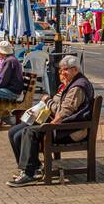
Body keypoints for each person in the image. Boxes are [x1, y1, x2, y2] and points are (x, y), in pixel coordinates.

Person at [7, 55, 96, 186]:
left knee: (29, 132)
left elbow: (62, 113)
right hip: (63, 125)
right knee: (14, 132)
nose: (61, 73)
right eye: (60, 70)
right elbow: (57, 100)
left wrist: (47, 101)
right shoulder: (70, 83)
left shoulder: (78, 87)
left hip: (71, 129)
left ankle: (29, 173)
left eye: (64, 70)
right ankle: (33, 168)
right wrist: (50, 100)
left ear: (75, 69)